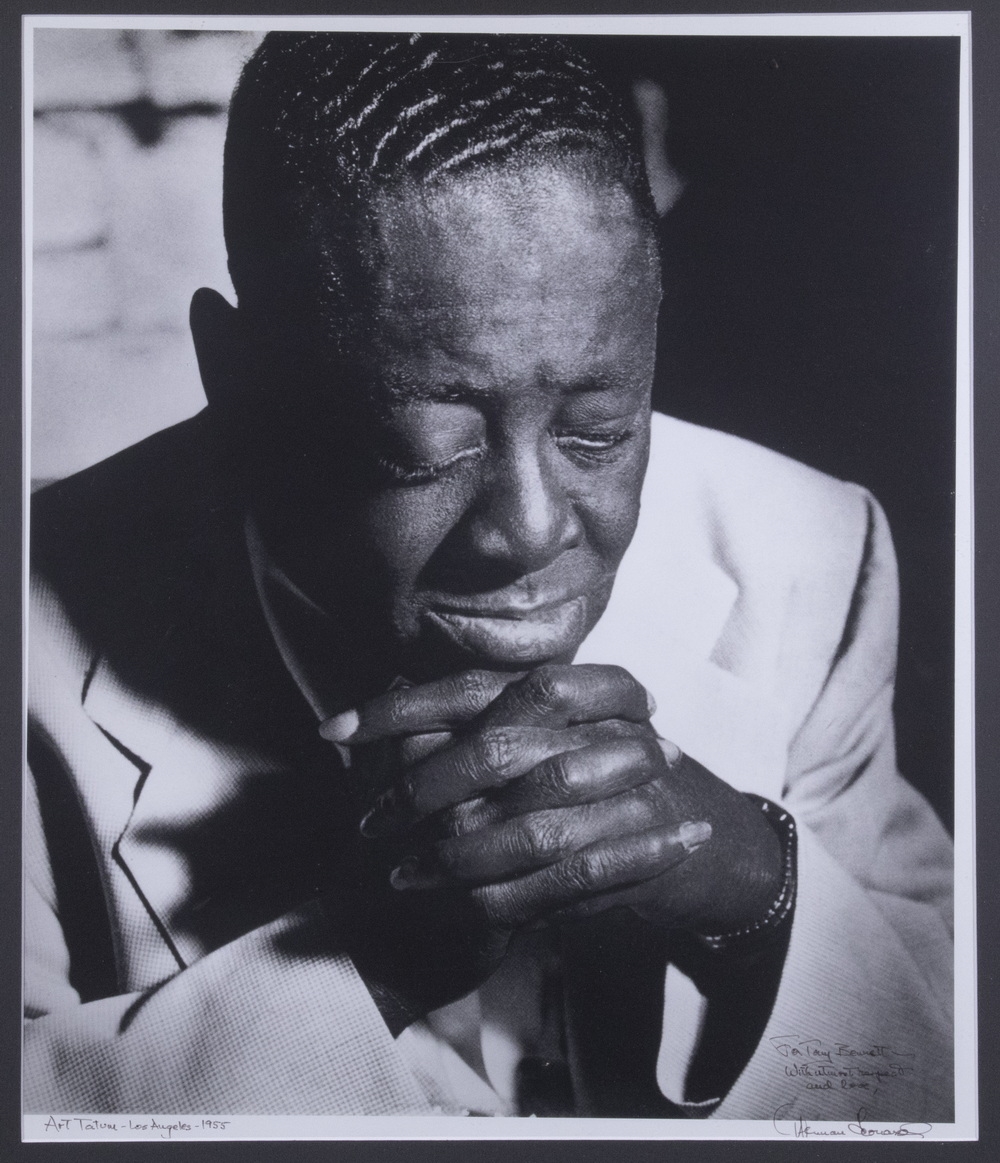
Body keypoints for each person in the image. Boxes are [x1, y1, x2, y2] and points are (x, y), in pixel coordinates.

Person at [25, 32, 953, 1121]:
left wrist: (759, 886)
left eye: (601, 429)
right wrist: (366, 963)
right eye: (421, 450)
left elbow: (947, 1047)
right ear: (237, 379)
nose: (527, 526)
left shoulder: (804, 548)